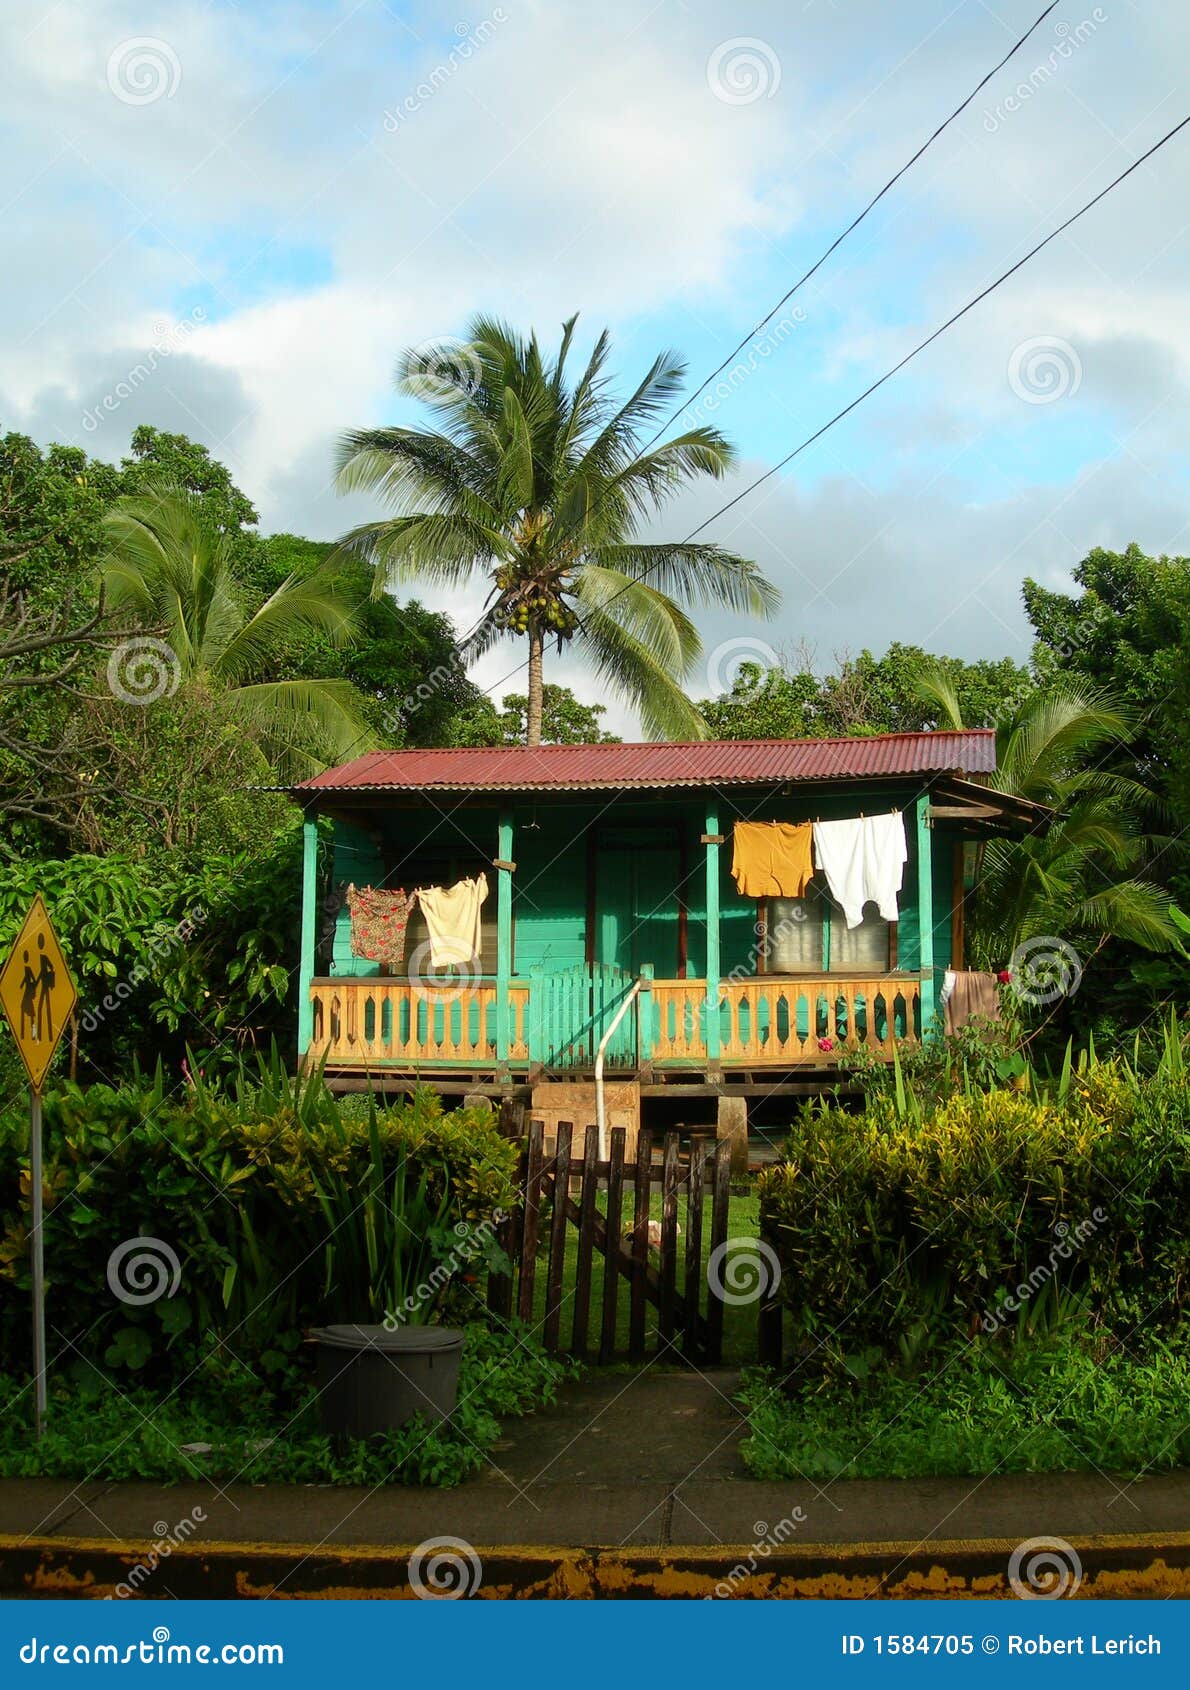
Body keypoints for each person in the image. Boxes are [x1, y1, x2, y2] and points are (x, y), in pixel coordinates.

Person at [35, 933, 56, 1043]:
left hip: (44, 985)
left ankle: (46, 1035)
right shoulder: (39, 956)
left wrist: (48, 980)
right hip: (42, 985)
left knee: (44, 1008)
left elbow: (50, 968)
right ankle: (42, 1035)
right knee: (43, 1008)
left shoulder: (43, 957)